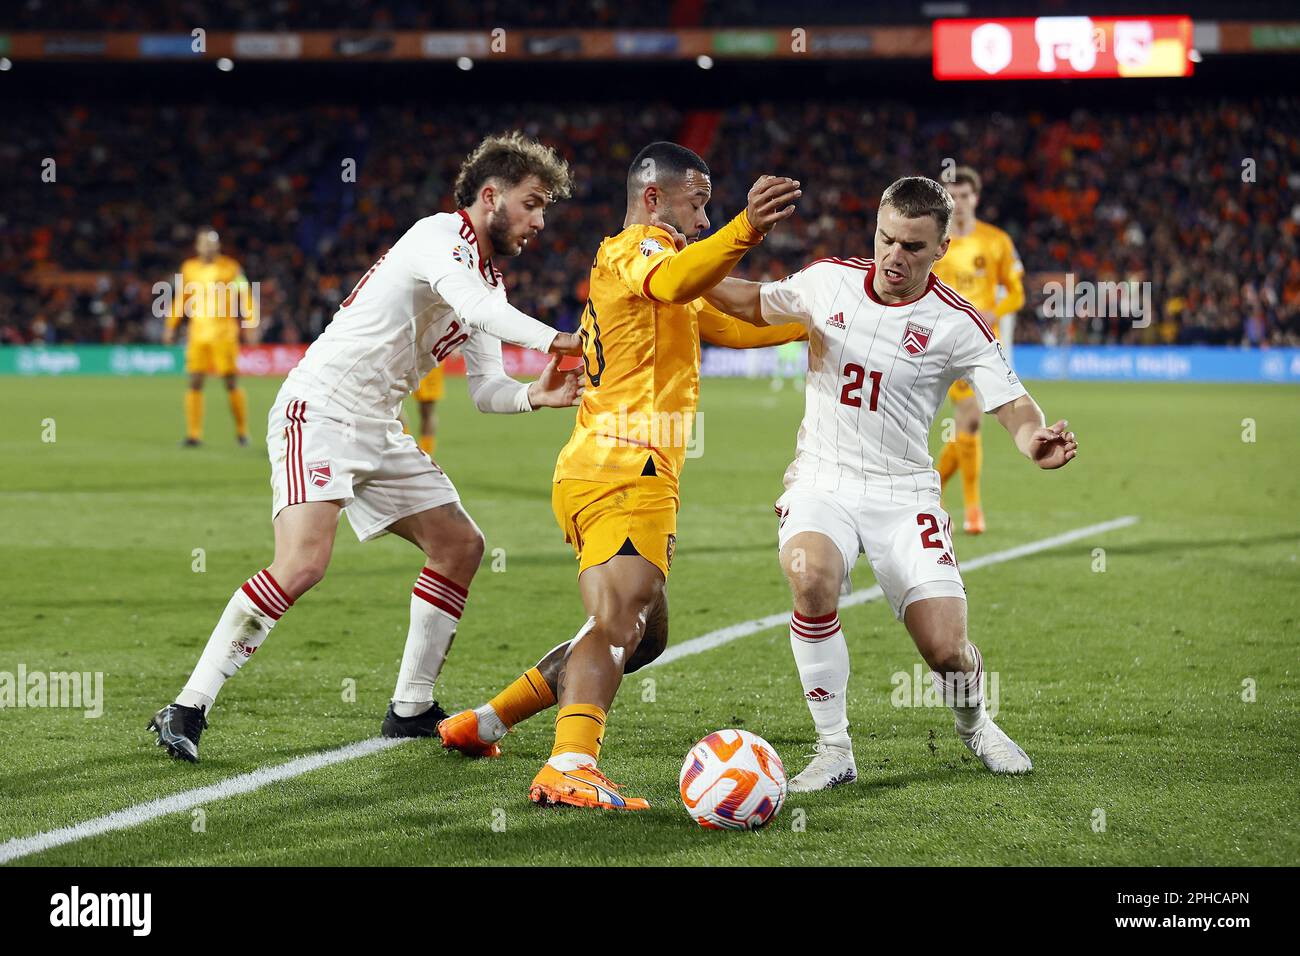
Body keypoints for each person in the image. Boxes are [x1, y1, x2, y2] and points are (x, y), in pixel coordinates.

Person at [148, 132, 583, 762]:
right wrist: (560, 341)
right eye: (533, 203)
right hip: (321, 407)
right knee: (302, 565)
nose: (540, 221)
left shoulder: (490, 288)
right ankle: (187, 706)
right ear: (491, 197)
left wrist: (533, 398)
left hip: (378, 425)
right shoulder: (438, 237)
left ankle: (410, 707)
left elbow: (487, 389)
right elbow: (471, 307)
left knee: (460, 545)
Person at [440, 142, 802, 811]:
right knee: (616, 623)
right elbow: (673, 281)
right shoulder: (633, 251)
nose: (704, 218)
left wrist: (824, 317)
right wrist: (745, 228)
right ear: (655, 197)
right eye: (698, 203)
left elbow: (739, 321)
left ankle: (483, 723)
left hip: (620, 467)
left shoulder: (668, 271)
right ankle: (570, 764)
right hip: (623, 464)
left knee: (639, 634)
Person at [704, 176, 1077, 791]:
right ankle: (833, 748)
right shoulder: (828, 282)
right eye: (886, 239)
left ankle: (977, 724)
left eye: (912, 246)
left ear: (941, 248)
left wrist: (1035, 440)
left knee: (945, 649)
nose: (894, 257)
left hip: (905, 495)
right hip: (822, 479)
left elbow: (1012, 405)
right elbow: (751, 302)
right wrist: (678, 273)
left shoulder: (959, 324)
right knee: (811, 579)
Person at [932, 167, 1025, 534]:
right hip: (941, 342)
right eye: (951, 195)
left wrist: (994, 311)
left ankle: (942, 493)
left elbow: (1017, 293)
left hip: (985, 344)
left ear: (976, 198)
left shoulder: (997, 241)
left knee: (969, 422)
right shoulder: (934, 241)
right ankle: (968, 508)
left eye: (965, 194)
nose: (958, 202)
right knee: (968, 419)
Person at [162, 227, 257, 446]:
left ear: (218, 246)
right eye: (204, 243)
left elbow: (245, 295)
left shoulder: (231, 268)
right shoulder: (189, 268)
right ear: (197, 246)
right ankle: (194, 435)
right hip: (198, 334)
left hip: (224, 333)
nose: (208, 247)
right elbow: (182, 298)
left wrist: (251, 322)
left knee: (230, 382)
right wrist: (170, 325)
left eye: (212, 243)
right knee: (195, 381)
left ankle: (242, 432)